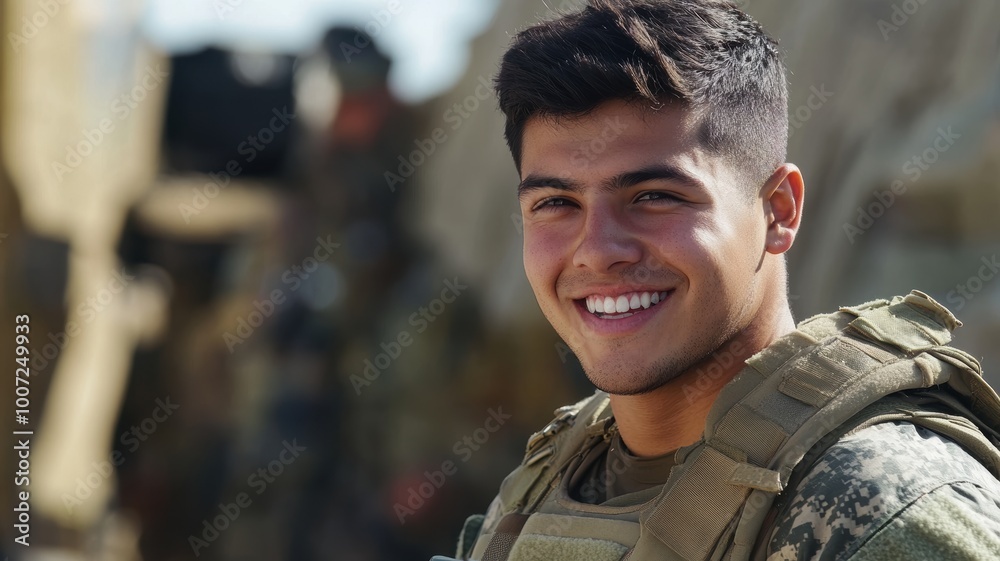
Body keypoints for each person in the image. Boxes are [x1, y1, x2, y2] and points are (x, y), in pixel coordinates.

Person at [446, 1, 1000, 560]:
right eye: (556, 203)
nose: (597, 252)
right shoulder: (546, 479)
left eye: (654, 197)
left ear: (778, 210)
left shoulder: (881, 509)